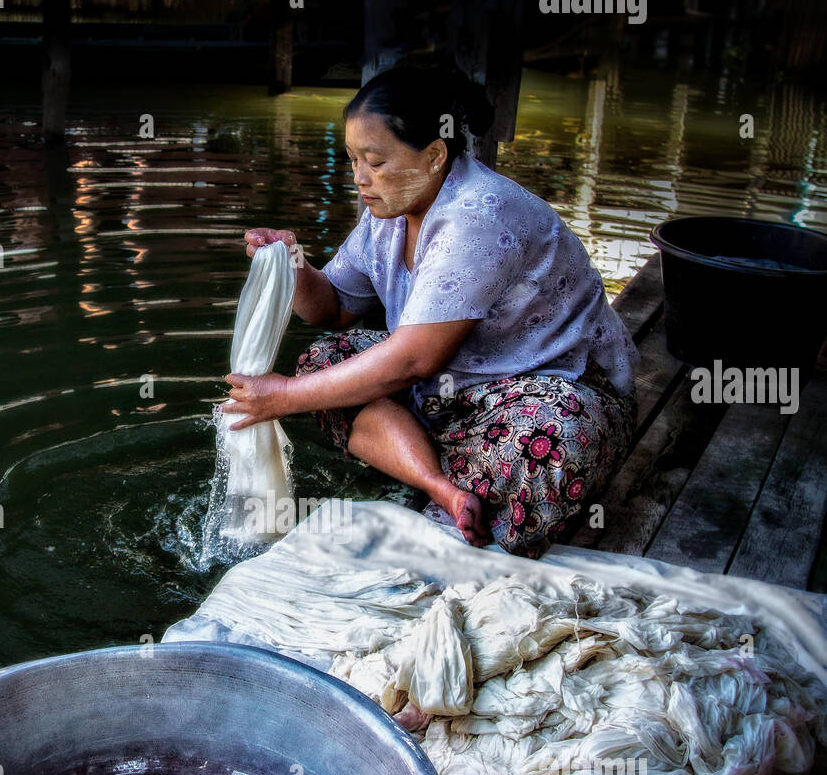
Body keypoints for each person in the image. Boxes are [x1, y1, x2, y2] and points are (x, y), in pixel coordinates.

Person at [220, 61, 640, 557]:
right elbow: (334, 309)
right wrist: (293, 265)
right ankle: (442, 484)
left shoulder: (479, 214)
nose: (359, 178)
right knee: (325, 362)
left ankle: (443, 471)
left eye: (375, 162)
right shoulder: (389, 212)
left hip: (550, 385)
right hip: (453, 393)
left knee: (550, 442)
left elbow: (417, 359)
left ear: (435, 155)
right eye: (353, 159)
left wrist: (283, 397)